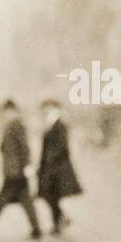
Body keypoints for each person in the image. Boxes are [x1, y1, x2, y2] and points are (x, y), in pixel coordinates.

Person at [0, 99, 42, 239]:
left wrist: (27, 166)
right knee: (26, 201)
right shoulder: (12, 125)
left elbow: (24, 148)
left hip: (15, 171)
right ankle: (36, 230)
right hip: (14, 170)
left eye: (8, 112)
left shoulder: (17, 126)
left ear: (14, 111)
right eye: (5, 112)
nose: (6, 115)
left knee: (1, 200)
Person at [37, 98, 82, 234]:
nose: (44, 110)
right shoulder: (51, 123)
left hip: (57, 167)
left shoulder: (59, 124)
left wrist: (50, 160)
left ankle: (59, 221)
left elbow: (62, 146)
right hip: (50, 166)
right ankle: (60, 220)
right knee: (50, 194)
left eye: (46, 107)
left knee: (50, 194)